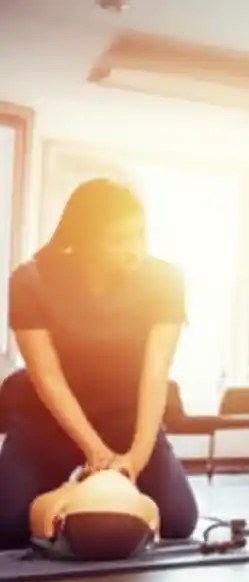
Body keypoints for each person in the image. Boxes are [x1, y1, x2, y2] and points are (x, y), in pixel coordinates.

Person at [0, 178, 197, 549]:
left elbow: (155, 373)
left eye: (140, 236)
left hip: (127, 421)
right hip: (48, 424)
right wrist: (94, 451)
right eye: (119, 240)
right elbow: (47, 378)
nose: (134, 250)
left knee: (179, 521)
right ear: (84, 241)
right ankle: (64, 497)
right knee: (7, 528)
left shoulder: (164, 280)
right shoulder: (30, 280)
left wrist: (135, 459)